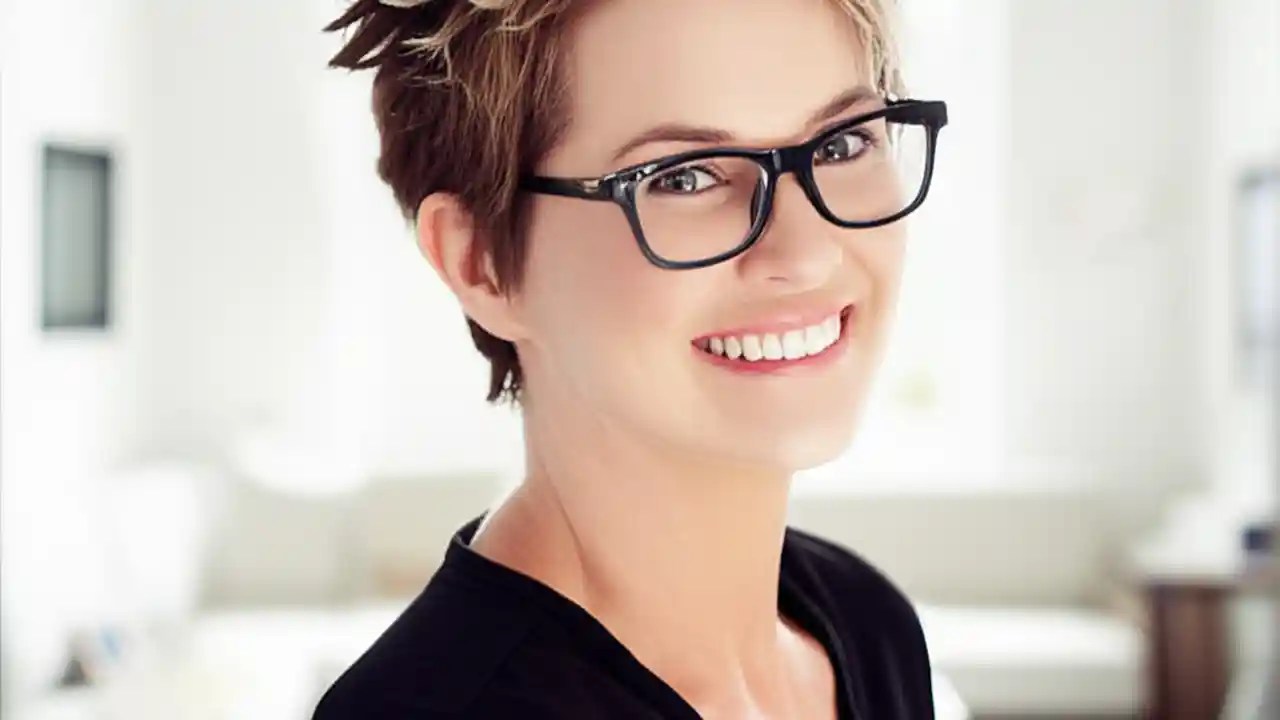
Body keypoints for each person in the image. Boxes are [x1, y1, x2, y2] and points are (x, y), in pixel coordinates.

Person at [313, 0, 948, 717]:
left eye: (840, 145)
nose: (805, 255)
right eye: (682, 177)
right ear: (481, 262)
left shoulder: (870, 627)